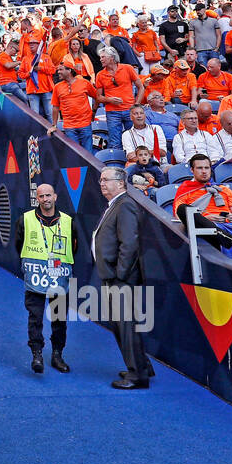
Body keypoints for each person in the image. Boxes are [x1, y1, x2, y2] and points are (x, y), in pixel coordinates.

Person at [92, 166, 151, 389]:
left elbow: (129, 243)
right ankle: (142, 365)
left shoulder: (125, 204)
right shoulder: (115, 205)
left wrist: (120, 275)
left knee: (126, 326)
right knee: (123, 326)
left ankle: (137, 376)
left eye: (105, 180)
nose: (101, 184)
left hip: (121, 278)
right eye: (100, 180)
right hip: (114, 276)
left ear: (120, 183)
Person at [16, 183, 72, 374]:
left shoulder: (68, 221)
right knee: (35, 318)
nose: (46, 199)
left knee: (59, 319)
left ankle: (57, 354)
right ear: (37, 199)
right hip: (36, 278)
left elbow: (75, 247)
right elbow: (18, 245)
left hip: (59, 278)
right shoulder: (25, 219)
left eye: (49, 195)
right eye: (41, 196)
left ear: (55, 197)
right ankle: (37, 354)